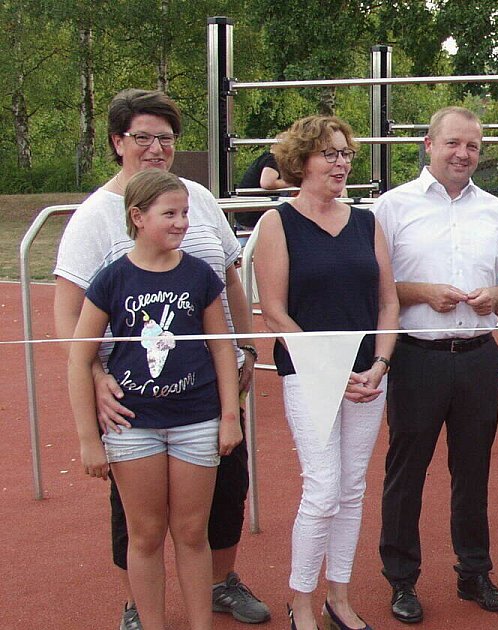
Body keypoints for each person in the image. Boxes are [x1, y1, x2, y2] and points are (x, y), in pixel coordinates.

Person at [52, 88, 269, 629]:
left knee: (219, 498)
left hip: (199, 399)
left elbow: (227, 279)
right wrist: (96, 380)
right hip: (132, 405)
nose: (156, 147)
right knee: (140, 524)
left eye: (166, 138)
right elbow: (70, 320)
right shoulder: (93, 222)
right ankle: (139, 608)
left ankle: (220, 586)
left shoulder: (197, 200)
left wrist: (243, 349)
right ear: (117, 142)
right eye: (143, 137)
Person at [68, 169, 243, 630]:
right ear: (138, 217)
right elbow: (78, 357)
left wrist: (229, 416)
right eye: (170, 214)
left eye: (185, 212)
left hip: (196, 420)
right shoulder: (111, 279)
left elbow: (222, 346)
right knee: (145, 535)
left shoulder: (200, 274)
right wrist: (89, 438)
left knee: (190, 532)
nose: (182, 222)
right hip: (133, 426)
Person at [377, 106, 498, 623]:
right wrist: (421, 292)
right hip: (416, 357)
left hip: (477, 357)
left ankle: (474, 572)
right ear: (428, 144)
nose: (463, 154)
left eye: (472, 146)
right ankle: (401, 580)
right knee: (407, 470)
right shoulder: (391, 207)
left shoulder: (496, 210)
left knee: (473, 469)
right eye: (453, 143)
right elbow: (374, 285)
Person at [254, 115, 399, 630]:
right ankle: (301, 602)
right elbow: (274, 311)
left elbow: (387, 302)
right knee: (322, 488)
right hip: (309, 376)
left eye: (345, 154)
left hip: (367, 378)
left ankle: (339, 596)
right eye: (330, 154)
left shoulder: (366, 222)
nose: (341, 163)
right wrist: (328, 370)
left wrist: (380, 364)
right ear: (302, 161)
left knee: (353, 487)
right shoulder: (277, 223)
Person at [234, 148, 293, 229]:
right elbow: (267, 183)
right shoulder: (273, 159)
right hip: (253, 216)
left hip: (246, 214)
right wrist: (294, 182)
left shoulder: (266, 158)